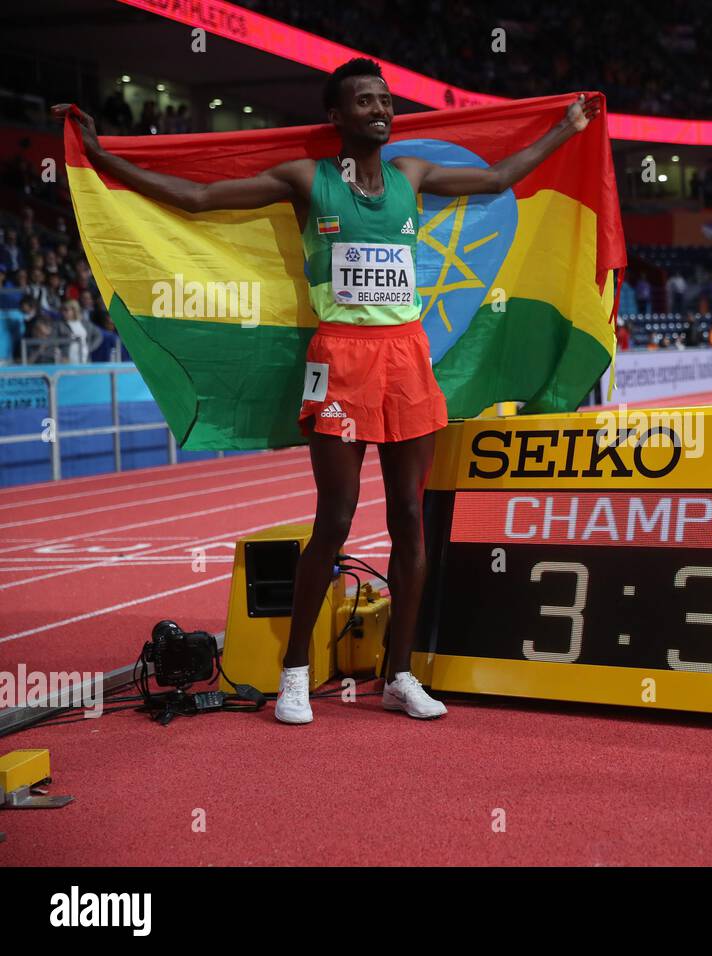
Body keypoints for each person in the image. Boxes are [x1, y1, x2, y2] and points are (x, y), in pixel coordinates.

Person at [54, 59, 600, 724]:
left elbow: (497, 177)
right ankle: (294, 672)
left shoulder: (412, 175)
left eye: (385, 100)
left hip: (407, 357)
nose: (380, 109)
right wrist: (106, 158)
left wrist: (566, 130)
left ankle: (400, 674)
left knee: (410, 516)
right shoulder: (305, 181)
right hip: (339, 358)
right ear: (337, 118)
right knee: (335, 517)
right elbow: (198, 198)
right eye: (364, 101)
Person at [61, 298, 103, 363]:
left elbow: (98, 335)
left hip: (85, 359)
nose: (63, 313)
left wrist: (89, 348)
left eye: (66, 310)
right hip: (67, 360)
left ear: (74, 310)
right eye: (62, 310)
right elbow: (54, 342)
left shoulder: (85, 323)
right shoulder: (59, 325)